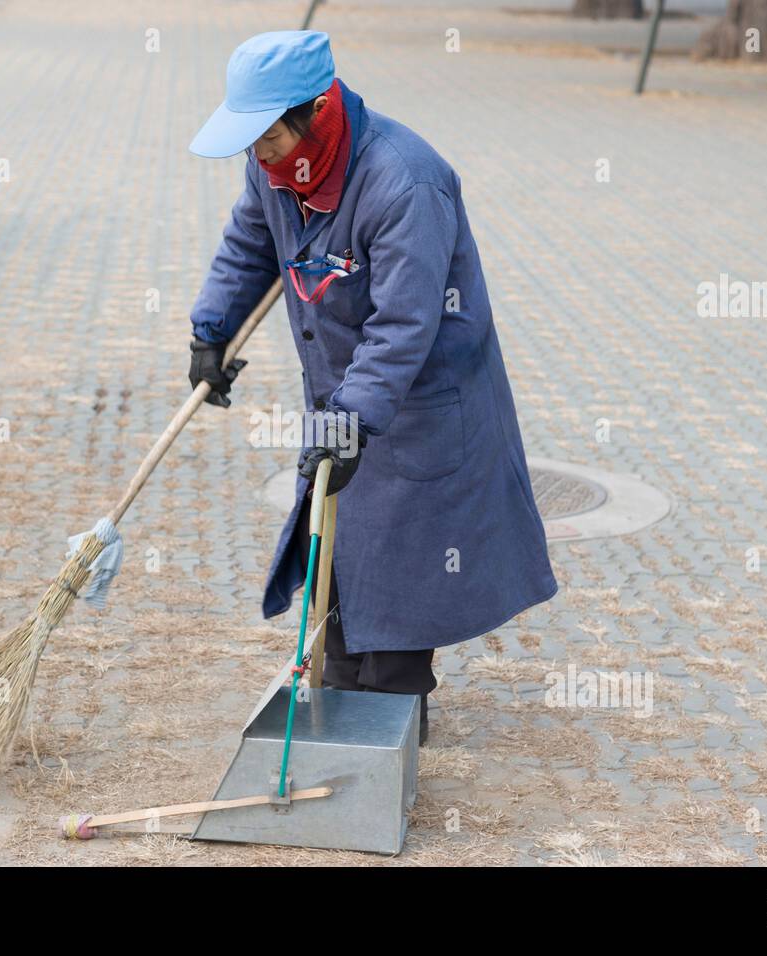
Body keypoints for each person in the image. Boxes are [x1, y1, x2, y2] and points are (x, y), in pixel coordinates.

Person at [186, 30, 557, 745]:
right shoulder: (274, 166)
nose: (256, 154)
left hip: (418, 404)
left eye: (264, 137)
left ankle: (386, 743)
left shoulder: (404, 181)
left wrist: (349, 420)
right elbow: (249, 244)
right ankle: (337, 704)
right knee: (340, 559)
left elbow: (405, 323)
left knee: (403, 573)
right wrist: (210, 330)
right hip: (342, 398)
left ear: (315, 111)